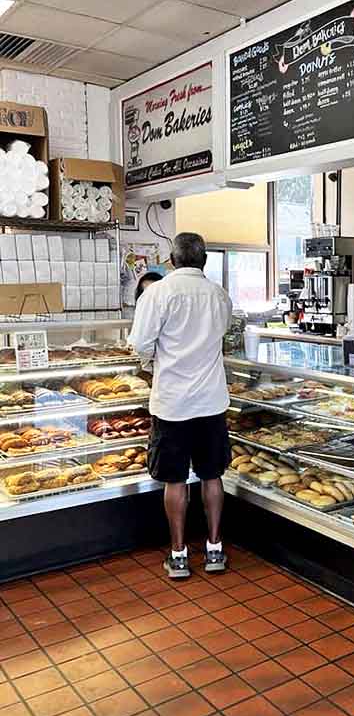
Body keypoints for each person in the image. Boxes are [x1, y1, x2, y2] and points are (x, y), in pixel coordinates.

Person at [128, 233, 232, 579]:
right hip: (212, 401)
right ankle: (215, 550)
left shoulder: (157, 294)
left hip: (172, 403)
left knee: (175, 480)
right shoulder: (218, 294)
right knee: (212, 475)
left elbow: (140, 343)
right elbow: (223, 334)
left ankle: (179, 555)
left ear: (171, 260)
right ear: (204, 260)